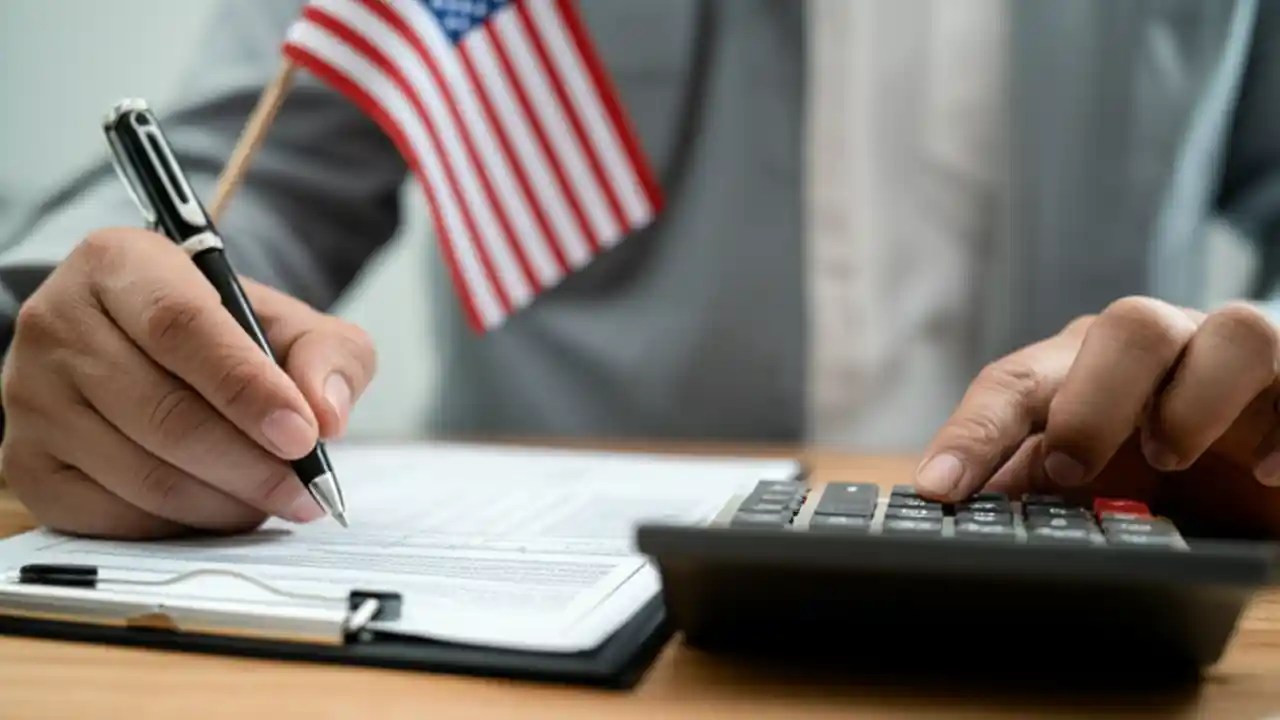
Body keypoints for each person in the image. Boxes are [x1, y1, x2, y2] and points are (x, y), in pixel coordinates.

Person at [2, 0, 1280, 539]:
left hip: (1100, 578)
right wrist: (107, 332)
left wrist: (1247, 381)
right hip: (542, 623)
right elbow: (246, 179)